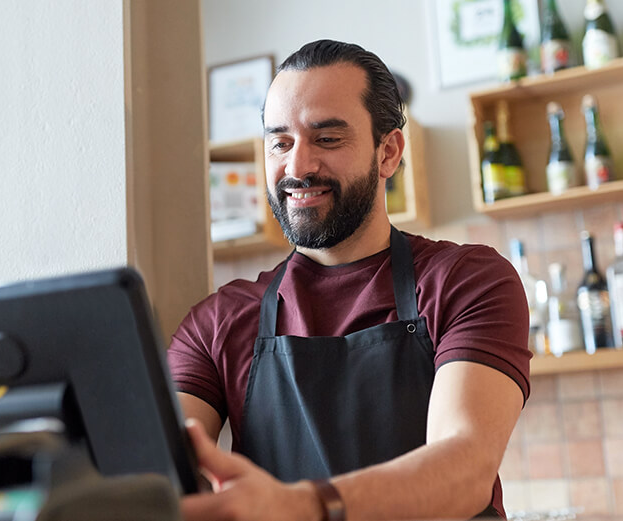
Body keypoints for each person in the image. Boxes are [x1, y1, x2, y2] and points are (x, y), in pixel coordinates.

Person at [168, 39, 531, 521]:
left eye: (327, 139)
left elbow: (464, 469)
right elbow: (161, 471)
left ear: (388, 152)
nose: (297, 166)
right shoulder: (217, 322)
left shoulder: (466, 281)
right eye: (280, 142)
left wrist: (303, 506)